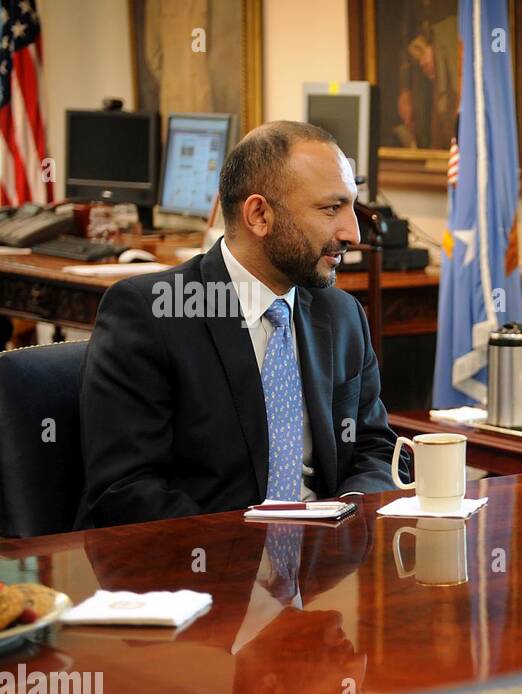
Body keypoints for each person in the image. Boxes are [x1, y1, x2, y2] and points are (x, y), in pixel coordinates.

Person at [77, 121, 403, 529]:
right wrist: (245, 557)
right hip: (199, 569)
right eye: (330, 208)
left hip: (320, 571)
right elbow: (124, 490)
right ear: (259, 215)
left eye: (352, 206)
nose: (352, 232)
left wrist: (347, 518)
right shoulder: (151, 313)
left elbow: (375, 447)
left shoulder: (342, 315)